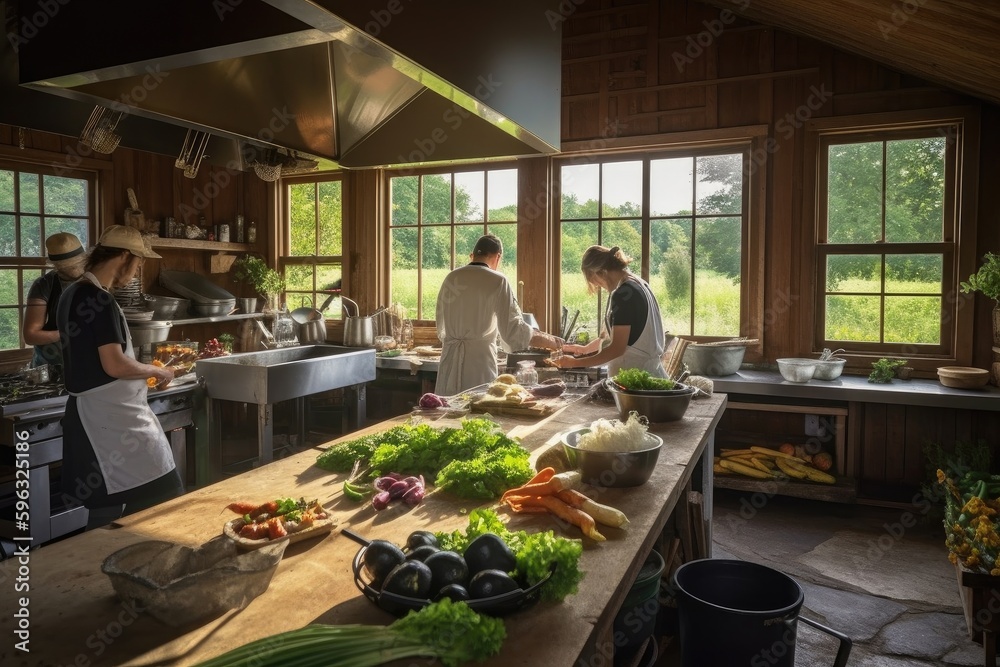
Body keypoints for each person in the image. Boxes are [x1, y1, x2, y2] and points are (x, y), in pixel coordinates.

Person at [56, 225, 183, 529]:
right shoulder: (99, 300)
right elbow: (114, 364)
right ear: (124, 257)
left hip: (99, 414)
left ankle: (110, 565)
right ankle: (115, 565)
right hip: (111, 419)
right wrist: (157, 369)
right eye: (138, 263)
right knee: (163, 493)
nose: (137, 271)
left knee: (110, 505)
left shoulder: (72, 293)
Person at [435, 233, 562, 396]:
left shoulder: (451, 278)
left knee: (446, 414)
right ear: (498, 257)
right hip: (478, 362)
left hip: (449, 359)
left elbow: (441, 327)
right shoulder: (498, 280)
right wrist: (552, 342)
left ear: (472, 255)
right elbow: (512, 331)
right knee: (478, 412)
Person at [555, 245, 667, 378]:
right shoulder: (637, 283)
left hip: (636, 378)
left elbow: (617, 348)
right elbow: (615, 338)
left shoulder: (623, 295)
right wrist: (584, 349)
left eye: (596, 282)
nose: (599, 286)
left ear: (602, 272)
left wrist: (574, 363)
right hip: (647, 373)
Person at [22, 232, 87, 376]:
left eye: (77, 263)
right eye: (68, 265)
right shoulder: (44, 285)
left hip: (88, 363)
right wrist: (65, 333)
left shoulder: (96, 281)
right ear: (56, 265)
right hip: (51, 365)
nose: (75, 269)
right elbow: (30, 335)